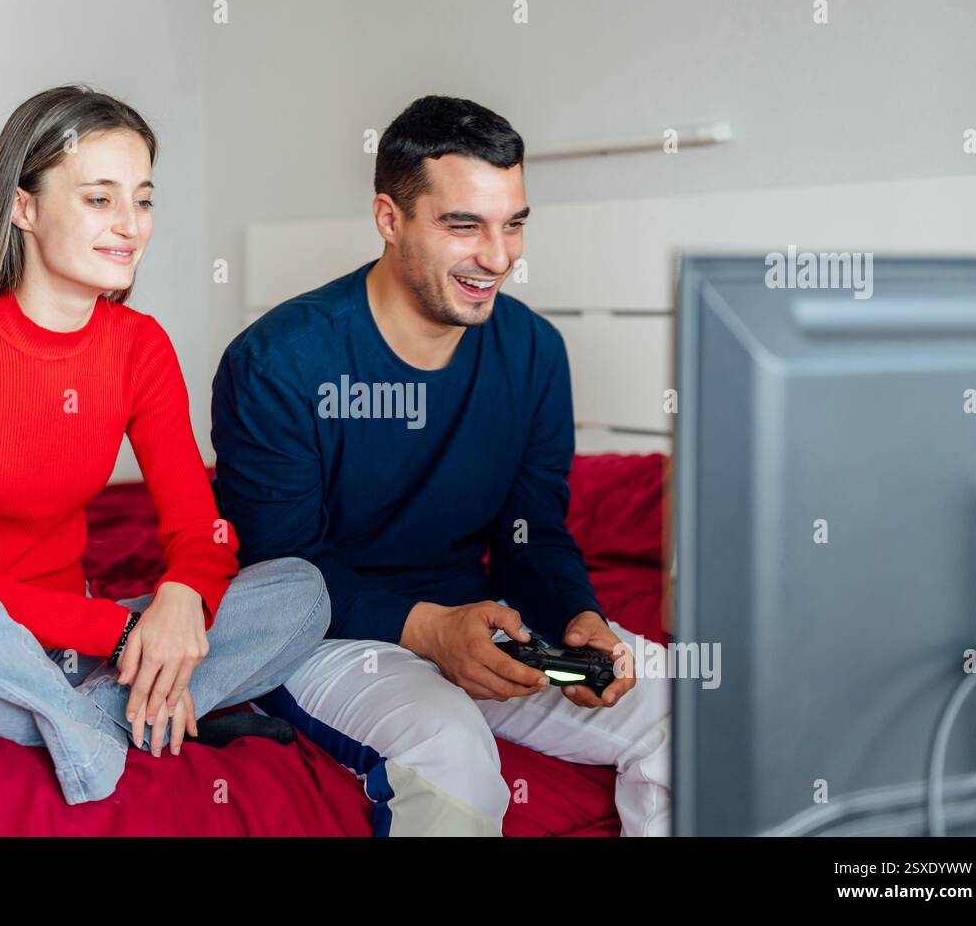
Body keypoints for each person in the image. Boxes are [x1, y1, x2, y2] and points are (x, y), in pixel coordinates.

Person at [0, 85, 329, 806]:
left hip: (88, 652)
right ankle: (128, 720)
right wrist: (127, 630)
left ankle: (84, 721)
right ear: (24, 207)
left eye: (143, 199)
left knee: (301, 592)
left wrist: (179, 600)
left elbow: (202, 530)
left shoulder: (139, 345)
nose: (130, 225)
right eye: (99, 199)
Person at [211, 95, 671, 836]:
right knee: (453, 756)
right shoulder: (277, 362)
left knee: (693, 710)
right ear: (390, 220)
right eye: (465, 225)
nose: (498, 257)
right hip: (322, 639)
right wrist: (428, 631)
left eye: (513, 222)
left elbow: (533, 533)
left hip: (478, 624)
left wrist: (579, 617)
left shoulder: (534, 353)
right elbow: (283, 570)